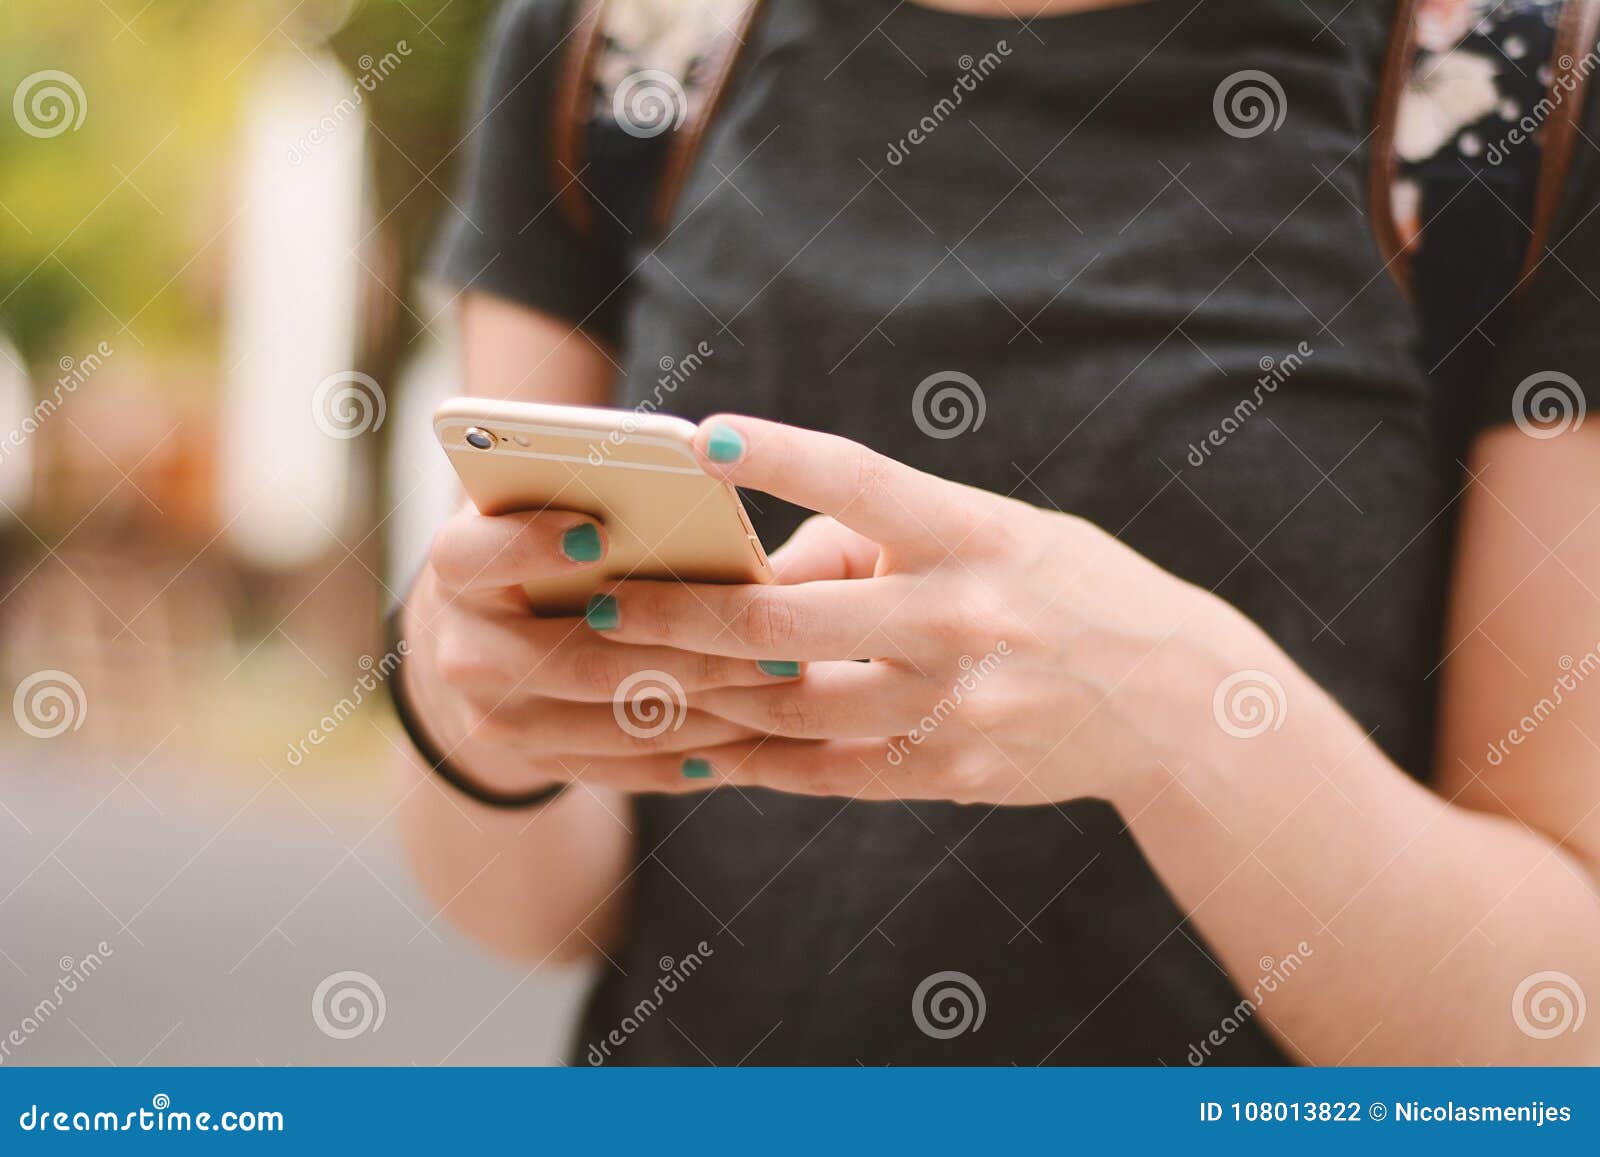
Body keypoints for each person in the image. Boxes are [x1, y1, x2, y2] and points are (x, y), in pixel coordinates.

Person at [391, 0, 1600, 1064]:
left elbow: (1554, 1024)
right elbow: (541, 914)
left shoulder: (1515, 90)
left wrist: (1184, 712)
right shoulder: (623, 50)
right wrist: (471, 706)